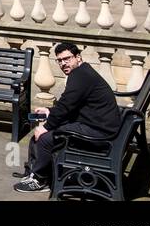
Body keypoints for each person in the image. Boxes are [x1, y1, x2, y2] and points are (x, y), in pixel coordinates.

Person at [15, 41, 122, 193]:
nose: (63, 63)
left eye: (67, 59)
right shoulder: (82, 72)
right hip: (98, 124)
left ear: (78, 57)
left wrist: (45, 127)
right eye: (60, 60)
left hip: (99, 132)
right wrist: (50, 111)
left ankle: (40, 180)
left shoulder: (80, 76)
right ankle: (34, 172)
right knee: (41, 134)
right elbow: (69, 104)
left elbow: (66, 106)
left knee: (44, 138)